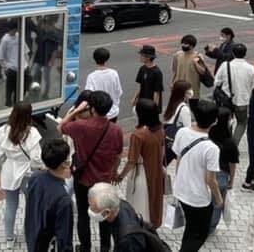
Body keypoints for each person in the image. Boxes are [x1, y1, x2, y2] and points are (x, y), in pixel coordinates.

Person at [58, 91, 123, 252]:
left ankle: (85, 247)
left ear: (91, 108)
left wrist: (76, 111)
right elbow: (118, 155)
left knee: (82, 214)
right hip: (104, 180)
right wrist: (114, 172)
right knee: (105, 214)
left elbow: (60, 127)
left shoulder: (81, 126)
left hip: (83, 179)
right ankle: (105, 247)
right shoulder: (116, 130)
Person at [170, 100, 224, 252]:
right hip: (199, 199)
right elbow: (210, 180)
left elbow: (178, 159)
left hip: (181, 191)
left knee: (190, 228)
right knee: (199, 235)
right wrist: (219, 200)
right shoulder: (211, 148)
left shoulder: (182, 132)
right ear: (214, 121)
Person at [0, 102, 44, 248]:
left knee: (11, 205)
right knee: (31, 205)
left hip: (9, 170)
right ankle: (30, 233)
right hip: (27, 172)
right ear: (29, 115)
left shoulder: (4, 130)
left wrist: (6, 161)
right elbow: (36, 159)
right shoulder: (32, 133)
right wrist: (41, 168)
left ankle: (9, 238)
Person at [115, 99, 165, 226]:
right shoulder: (160, 129)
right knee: (153, 201)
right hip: (156, 171)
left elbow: (132, 161)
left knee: (139, 205)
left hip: (141, 173)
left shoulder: (138, 135)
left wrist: (120, 176)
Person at [24, 139, 74, 252]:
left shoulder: (35, 177)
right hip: (47, 244)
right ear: (64, 164)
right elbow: (64, 239)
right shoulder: (63, 200)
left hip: (33, 236)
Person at [86, 183, 159, 251]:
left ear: (107, 212)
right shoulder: (120, 204)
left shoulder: (127, 241)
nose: (90, 210)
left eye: (94, 209)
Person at [213, 43, 254, 144]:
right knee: (241, 123)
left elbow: (216, 82)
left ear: (233, 53)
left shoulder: (225, 65)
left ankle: (225, 142)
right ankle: (233, 144)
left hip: (226, 100)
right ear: (245, 54)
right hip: (242, 100)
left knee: (226, 122)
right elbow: (253, 85)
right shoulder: (250, 68)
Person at [206, 107, 239, 235]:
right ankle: (210, 228)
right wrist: (231, 180)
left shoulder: (208, 134)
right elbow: (232, 164)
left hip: (205, 171)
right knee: (217, 204)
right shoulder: (230, 143)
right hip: (221, 175)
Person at [84, 48, 122, 122]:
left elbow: (88, 95)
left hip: (98, 114)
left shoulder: (91, 76)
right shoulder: (114, 73)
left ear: (94, 59)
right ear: (107, 59)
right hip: (113, 112)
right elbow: (119, 92)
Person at [163, 80, 195, 165]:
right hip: (176, 142)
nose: (191, 91)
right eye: (189, 90)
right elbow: (188, 129)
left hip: (167, 140)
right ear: (184, 93)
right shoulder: (184, 109)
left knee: (161, 164)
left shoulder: (173, 104)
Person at [130, 45, 164, 111]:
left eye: (142, 55)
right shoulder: (142, 68)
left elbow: (157, 92)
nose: (140, 57)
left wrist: (154, 107)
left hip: (151, 104)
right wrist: (134, 98)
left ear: (148, 57)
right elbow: (140, 85)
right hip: (142, 101)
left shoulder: (157, 72)